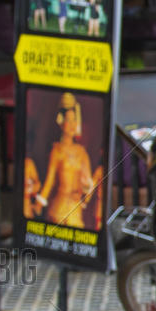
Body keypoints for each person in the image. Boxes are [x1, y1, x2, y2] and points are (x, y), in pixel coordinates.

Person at [33, 92, 104, 229]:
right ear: (61, 122)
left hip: (75, 209)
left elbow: (88, 184)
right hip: (58, 207)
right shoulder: (57, 150)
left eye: (74, 120)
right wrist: (39, 203)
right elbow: (49, 181)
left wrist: (89, 186)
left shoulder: (81, 152)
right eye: (68, 120)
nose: (72, 125)